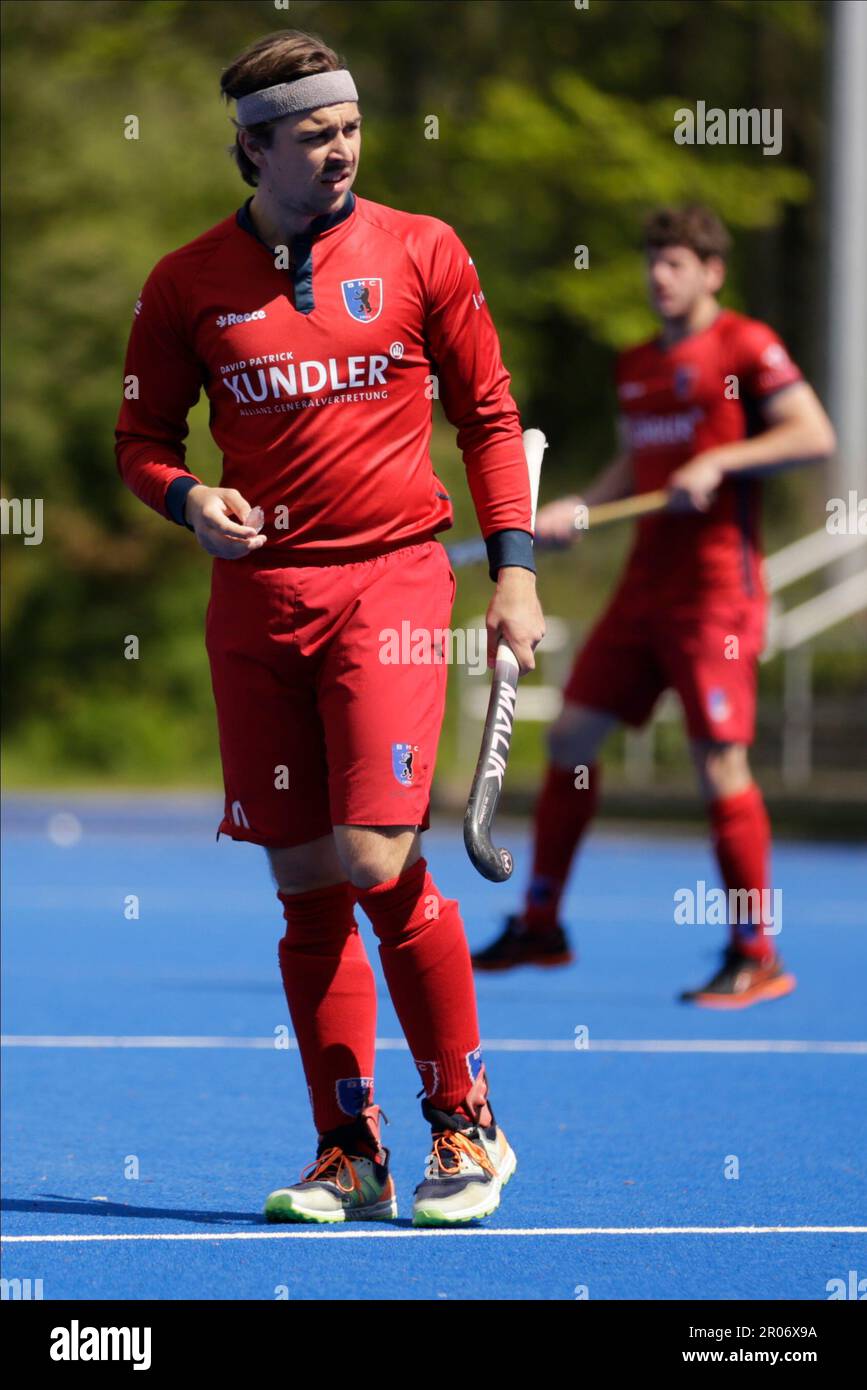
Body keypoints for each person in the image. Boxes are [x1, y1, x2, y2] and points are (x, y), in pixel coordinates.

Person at [115, 29, 544, 1223]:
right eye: (314, 134)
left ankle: (465, 1122)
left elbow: (491, 413)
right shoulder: (186, 278)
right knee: (306, 887)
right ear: (253, 150)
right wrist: (192, 500)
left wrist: (512, 574)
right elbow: (139, 445)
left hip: (393, 587)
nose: (342, 147)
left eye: (350, 125)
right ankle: (347, 1152)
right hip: (257, 604)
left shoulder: (422, 250)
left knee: (373, 859)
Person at [473, 205, 835, 1008]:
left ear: (711, 272)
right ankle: (540, 923)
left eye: (675, 264)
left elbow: (813, 434)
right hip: (643, 587)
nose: (658, 277)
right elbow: (635, 465)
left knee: (719, 763)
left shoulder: (746, 345)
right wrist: (576, 509)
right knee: (569, 737)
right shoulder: (635, 363)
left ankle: (755, 951)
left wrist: (723, 461)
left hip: (716, 594)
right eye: (652, 263)